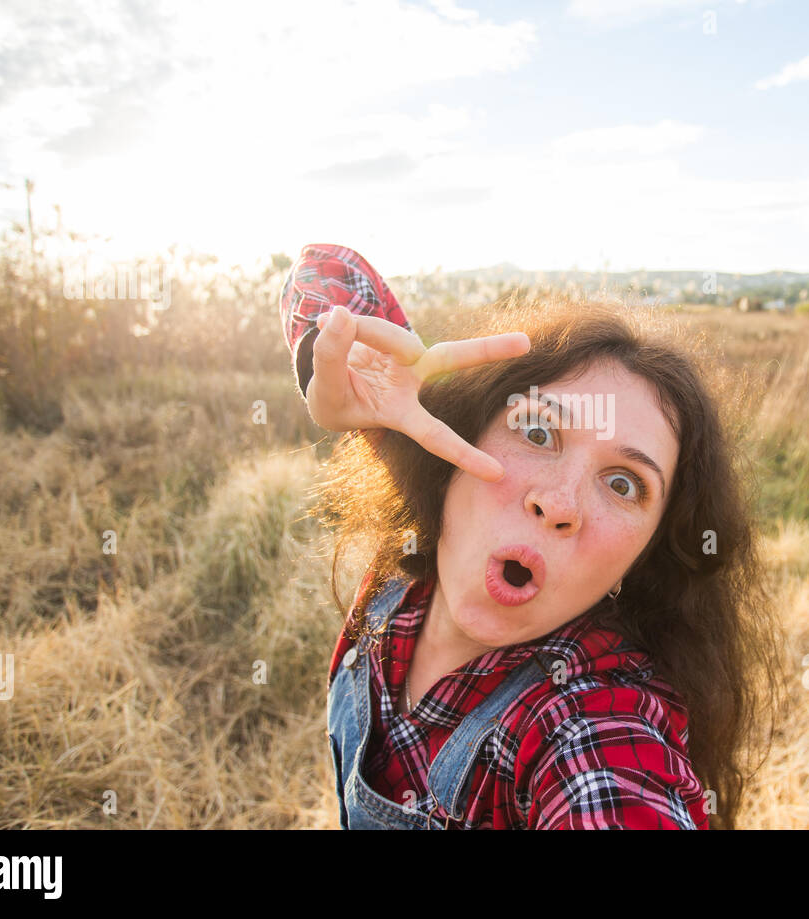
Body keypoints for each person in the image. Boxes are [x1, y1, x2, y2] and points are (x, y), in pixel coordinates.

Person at [279, 244, 783, 829]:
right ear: (456, 440)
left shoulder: (593, 724)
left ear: (642, 555)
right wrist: (347, 364)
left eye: (623, 484)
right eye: (538, 432)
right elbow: (325, 269)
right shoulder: (426, 503)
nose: (559, 502)